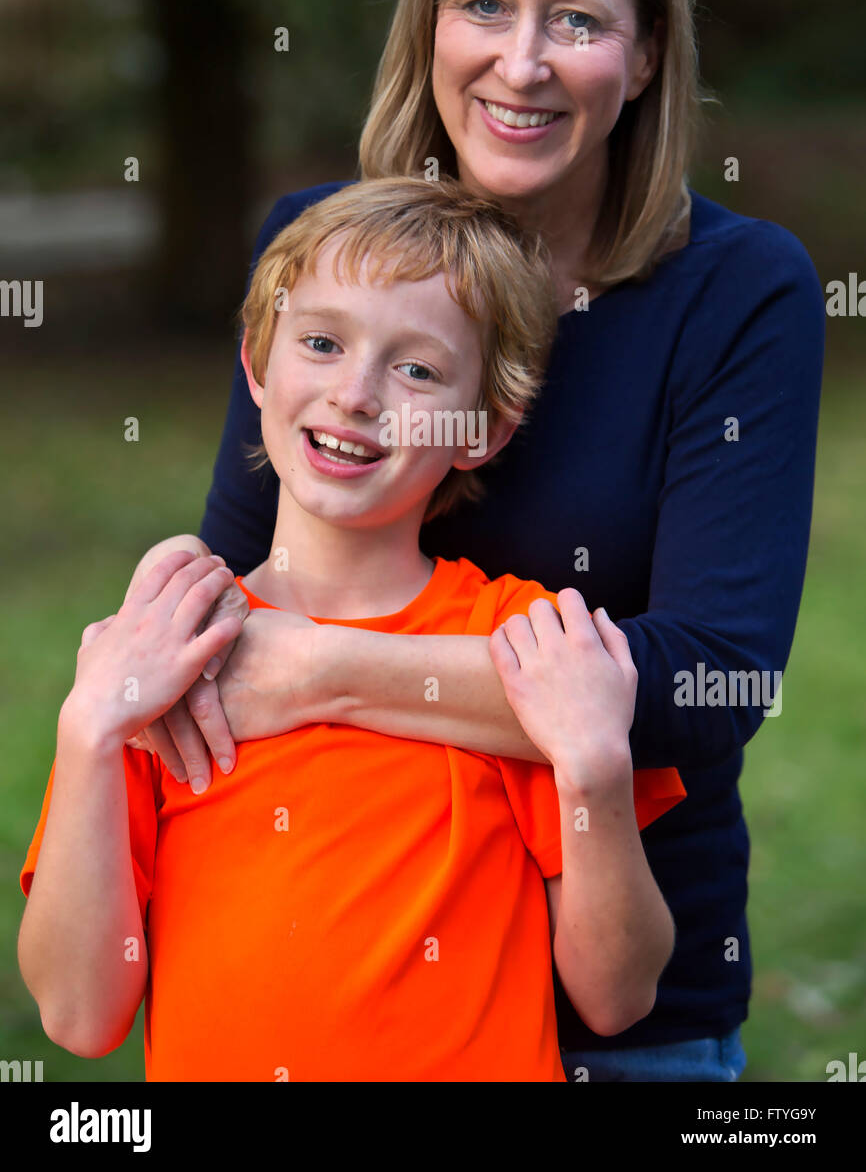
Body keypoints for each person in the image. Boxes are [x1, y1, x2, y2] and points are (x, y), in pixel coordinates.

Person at [117, 0, 824, 1082]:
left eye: (577, 20)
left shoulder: (734, 292)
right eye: (485, 4)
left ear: (647, 52)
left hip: (607, 993)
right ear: (428, 26)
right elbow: (234, 605)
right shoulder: (317, 244)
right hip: (336, 975)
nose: (521, 62)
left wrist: (322, 671)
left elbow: (705, 682)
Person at [18, 177, 686, 1082]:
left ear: (484, 427)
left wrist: (597, 763)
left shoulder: (522, 640)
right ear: (258, 364)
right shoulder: (162, 644)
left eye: (416, 368)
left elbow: (618, 995)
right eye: (323, 343)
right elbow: (76, 1013)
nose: (356, 394)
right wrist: (88, 730)